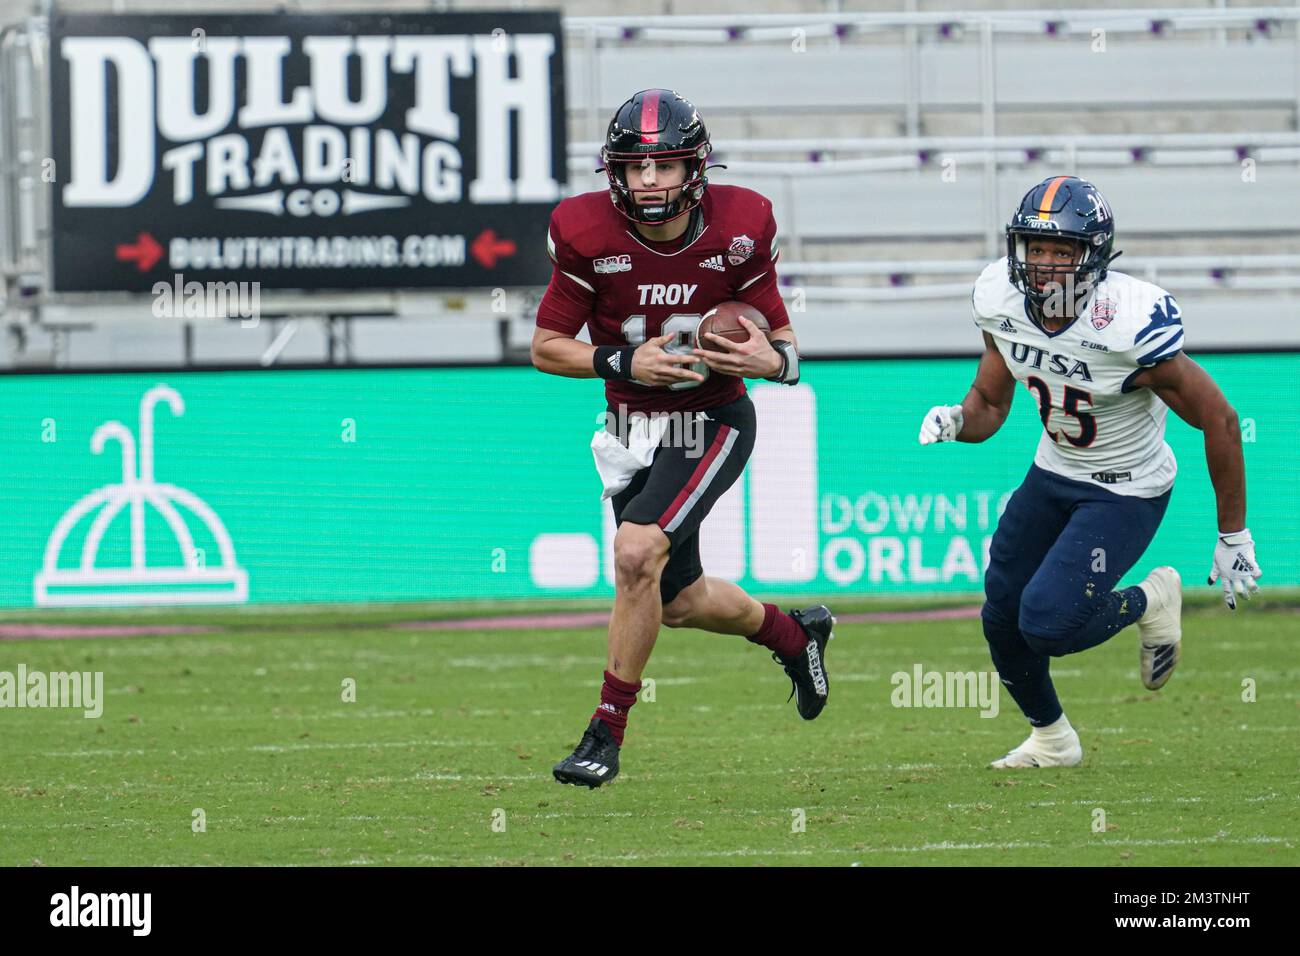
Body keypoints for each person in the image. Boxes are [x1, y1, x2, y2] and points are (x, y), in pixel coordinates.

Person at [532, 89, 832, 788]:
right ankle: (797, 635)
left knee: (636, 550)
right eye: (636, 168)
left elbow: (785, 346)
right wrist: (621, 360)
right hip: (632, 428)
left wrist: (772, 362)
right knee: (677, 599)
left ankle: (603, 734)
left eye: (665, 166)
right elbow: (547, 347)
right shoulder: (584, 230)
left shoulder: (740, 224)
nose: (650, 182)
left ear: (695, 169)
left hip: (712, 418)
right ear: (615, 172)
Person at [918, 175, 1262, 768]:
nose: (1046, 265)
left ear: (1093, 256)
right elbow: (991, 404)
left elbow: (1221, 420)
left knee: (1047, 623)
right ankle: (1052, 739)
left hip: (1125, 490)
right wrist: (957, 419)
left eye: (1062, 251)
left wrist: (1233, 533)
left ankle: (1151, 601)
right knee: (1001, 612)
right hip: (1053, 471)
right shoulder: (999, 297)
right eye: (1036, 249)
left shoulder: (1127, 323)